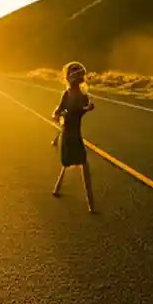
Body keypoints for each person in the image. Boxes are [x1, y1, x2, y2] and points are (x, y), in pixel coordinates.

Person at [51, 61, 97, 212]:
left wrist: (85, 109)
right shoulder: (72, 95)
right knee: (82, 164)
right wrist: (61, 115)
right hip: (71, 134)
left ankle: (58, 189)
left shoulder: (78, 95)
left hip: (70, 134)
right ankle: (91, 205)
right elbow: (61, 112)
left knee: (71, 163)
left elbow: (71, 112)